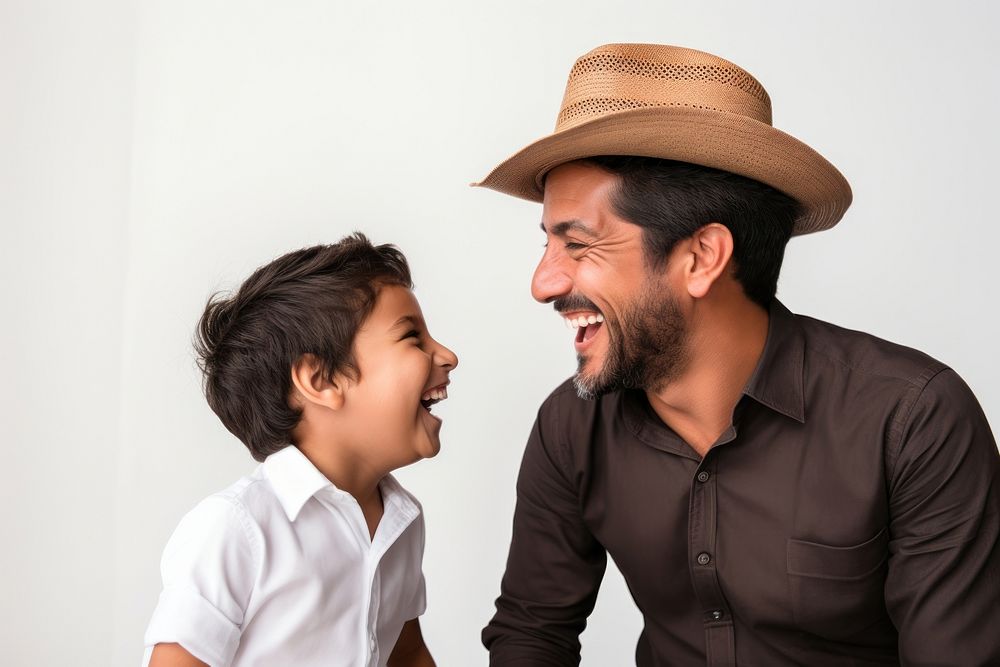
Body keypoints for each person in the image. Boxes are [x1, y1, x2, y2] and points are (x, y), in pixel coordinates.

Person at [475, 43, 999, 666]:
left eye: (580, 245)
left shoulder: (910, 419)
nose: (544, 283)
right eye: (548, 244)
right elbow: (533, 635)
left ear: (702, 258)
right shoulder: (572, 426)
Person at [142, 234, 456, 667]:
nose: (447, 355)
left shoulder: (402, 520)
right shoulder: (236, 528)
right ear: (321, 380)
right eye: (412, 338)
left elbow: (407, 653)